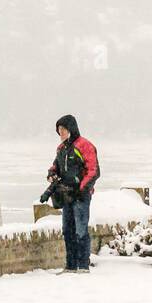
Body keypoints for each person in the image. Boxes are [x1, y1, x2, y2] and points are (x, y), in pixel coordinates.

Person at [47, 114, 100, 271]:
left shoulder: (85, 146)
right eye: (59, 130)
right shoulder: (61, 148)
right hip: (66, 195)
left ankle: (83, 266)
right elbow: (56, 165)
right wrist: (51, 174)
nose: (61, 133)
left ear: (71, 128)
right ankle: (70, 266)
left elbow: (94, 171)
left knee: (81, 230)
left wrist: (82, 189)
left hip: (81, 196)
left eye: (63, 129)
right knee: (67, 230)